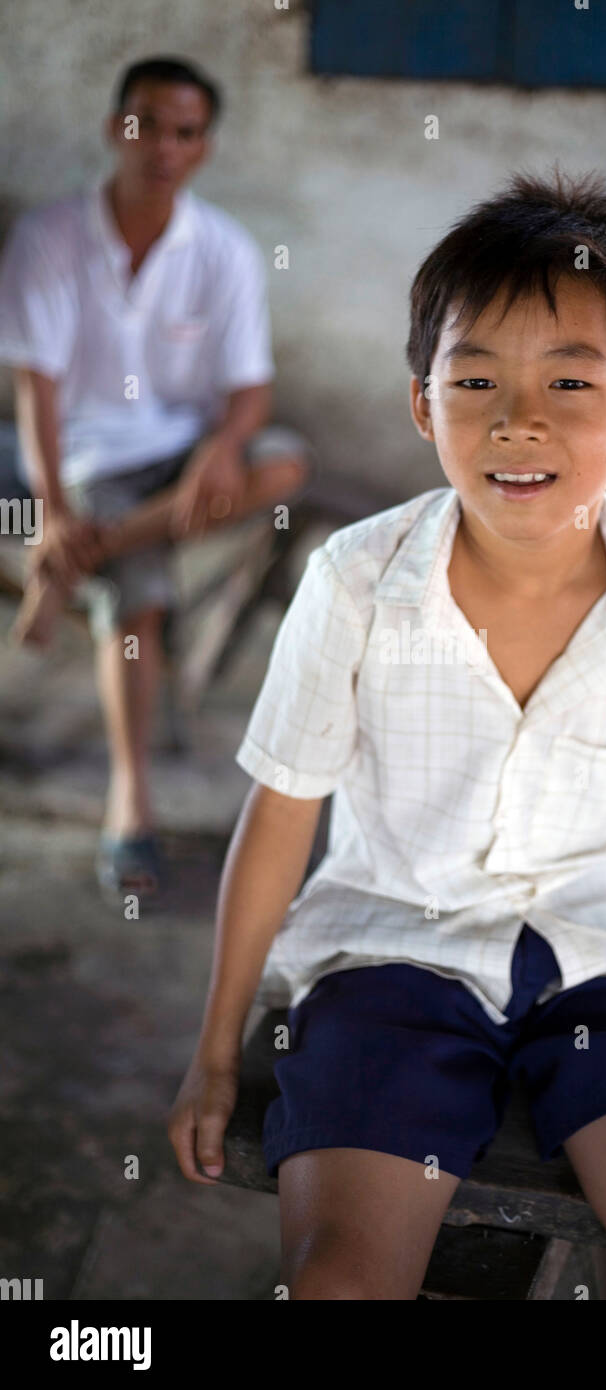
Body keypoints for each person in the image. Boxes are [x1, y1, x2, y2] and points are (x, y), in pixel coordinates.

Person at [167, 168, 606, 1300]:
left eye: (569, 379)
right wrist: (211, 1057)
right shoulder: (353, 581)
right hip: (392, 956)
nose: (516, 417)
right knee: (339, 1283)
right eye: (474, 376)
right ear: (420, 403)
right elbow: (282, 810)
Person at [0, 56, 314, 900]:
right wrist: (56, 507)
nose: (162, 146)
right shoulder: (51, 238)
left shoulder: (224, 251)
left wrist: (222, 443)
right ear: (115, 129)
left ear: (203, 148)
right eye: (145, 124)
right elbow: (38, 389)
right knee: (136, 593)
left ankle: (77, 556)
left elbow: (250, 390)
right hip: (88, 458)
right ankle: (129, 804)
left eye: (184, 131)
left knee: (281, 459)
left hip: (181, 459)